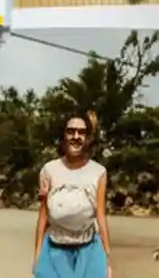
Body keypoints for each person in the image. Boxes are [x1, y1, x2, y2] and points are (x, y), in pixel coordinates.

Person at [32, 112, 113, 278]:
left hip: (89, 248)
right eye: (71, 131)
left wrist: (107, 260)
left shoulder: (98, 172)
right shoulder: (49, 170)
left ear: (88, 138)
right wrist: (37, 255)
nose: (76, 137)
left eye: (81, 132)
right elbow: (43, 216)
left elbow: (100, 215)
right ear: (63, 136)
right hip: (54, 247)